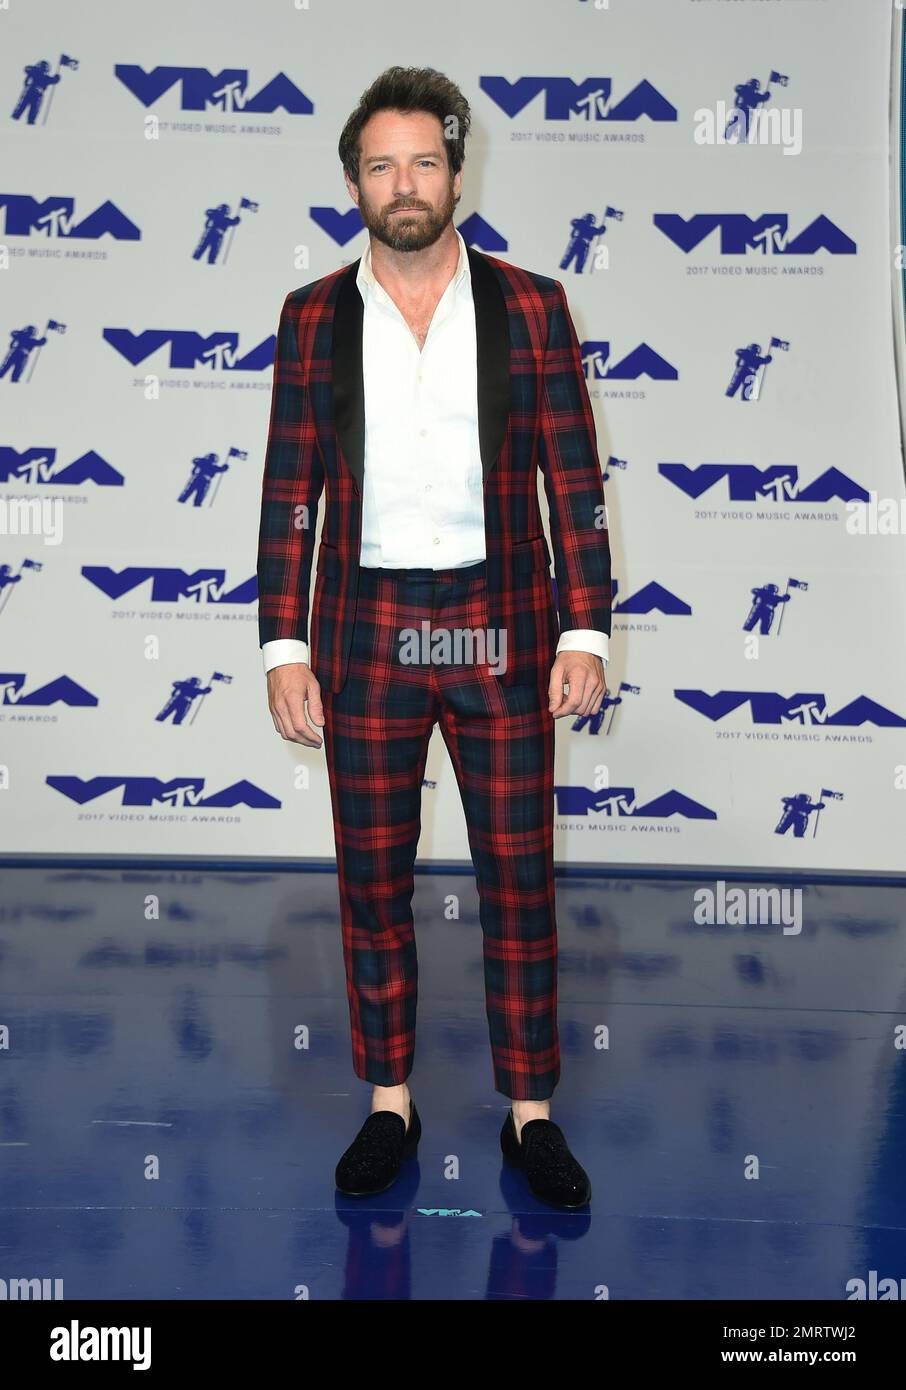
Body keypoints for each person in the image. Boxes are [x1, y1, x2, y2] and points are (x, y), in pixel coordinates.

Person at [256, 66, 612, 1209]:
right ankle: (389, 1105)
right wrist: (284, 647)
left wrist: (586, 627)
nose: (402, 184)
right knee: (372, 881)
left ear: (458, 174)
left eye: (423, 161)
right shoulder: (312, 316)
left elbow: (575, 479)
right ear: (356, 182)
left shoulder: (532, 306)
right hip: (362, 630)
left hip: (503, 622)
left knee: (519, 877)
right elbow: (289, 493)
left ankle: (530, 1118)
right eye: (379, 164)